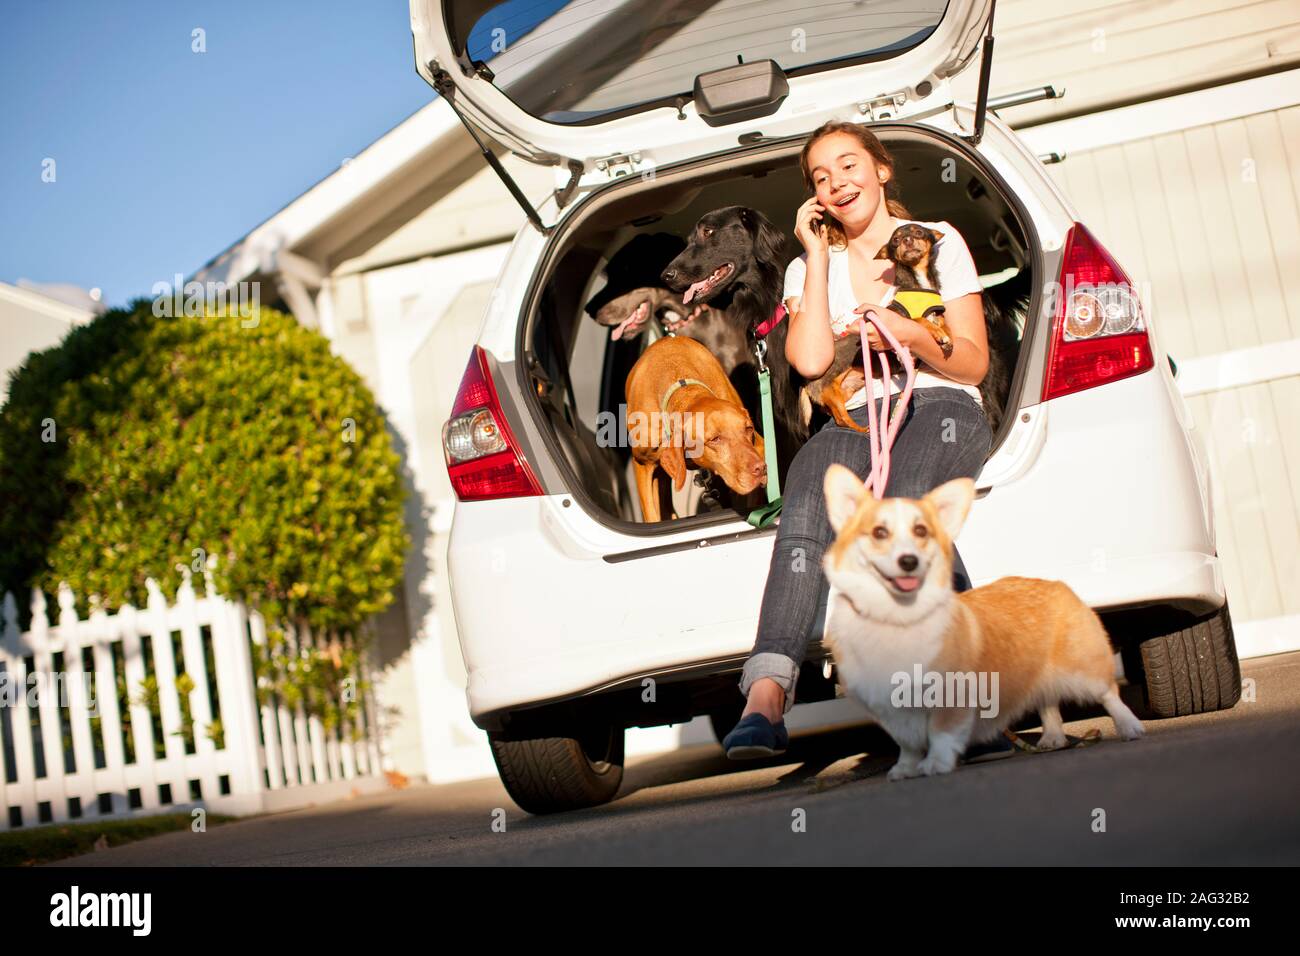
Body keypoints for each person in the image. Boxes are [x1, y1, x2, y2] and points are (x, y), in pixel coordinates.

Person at [722, 120, 999, 759]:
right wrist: (817, 257)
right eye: (821, 177)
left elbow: (974, 362)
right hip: (854, 412)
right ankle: (765, 696)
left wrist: (912, 335)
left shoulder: (936, 243)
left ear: (881, 169)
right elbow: (813, 361)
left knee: (901, 508)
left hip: (940, 401)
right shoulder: (805, 268)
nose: (837, 183)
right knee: (804, 505)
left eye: (848, 165)